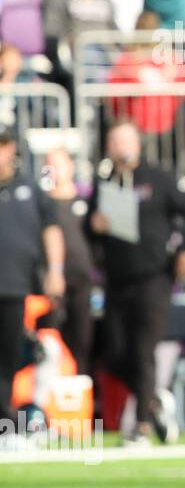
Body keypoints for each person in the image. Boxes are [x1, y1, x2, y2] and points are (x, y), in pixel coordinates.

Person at [87, 118, 185, 446]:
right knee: (114, 353)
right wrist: (93, 225)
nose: (120, 148)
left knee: (142, 349)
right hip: (117, 278)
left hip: (153, 277)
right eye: (114, 141)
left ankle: (141, 425)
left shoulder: (158, 177)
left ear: (137, 144)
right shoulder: (105, 181)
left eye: (125, 140)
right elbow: (91, 228)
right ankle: (152, 399)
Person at [0, 126, 65, 436]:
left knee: (10, 355)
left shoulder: (30, 188)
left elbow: (51, 229)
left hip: (14, 287)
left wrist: (55, 269)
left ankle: (4, 422)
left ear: (12, 148)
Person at [41, 147, 94, 377]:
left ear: (71, 166)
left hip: (82, 281)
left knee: (82, 340)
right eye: (49, 165)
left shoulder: (87, 201)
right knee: (49, 341)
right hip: (52, 283)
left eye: (59, 164)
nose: (55, 171)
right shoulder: (42, 204)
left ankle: (80, 396)